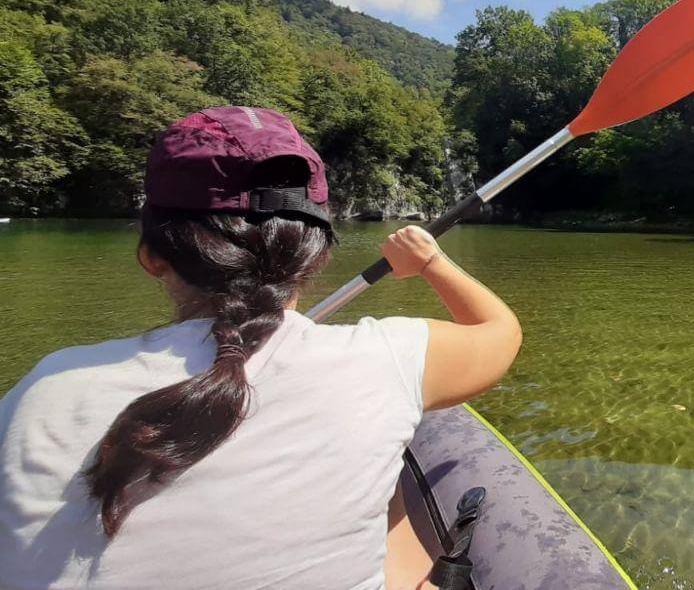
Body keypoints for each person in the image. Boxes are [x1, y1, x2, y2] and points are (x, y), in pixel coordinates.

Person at [0, 106, 522, 589]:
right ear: (317, 252)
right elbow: (499, 331)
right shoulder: (385, 360)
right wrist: (429, 261)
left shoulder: (41, 392)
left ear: (151, 256)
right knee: (390, 493)